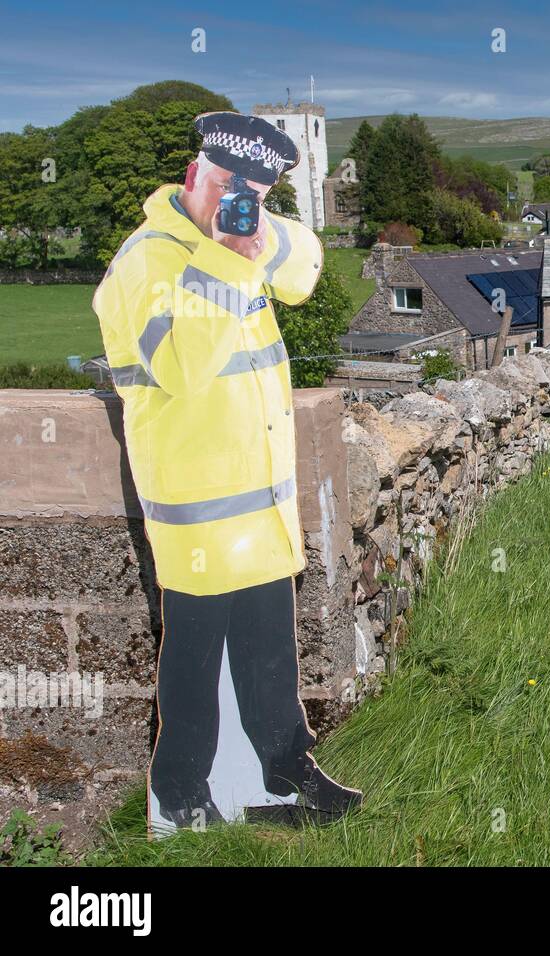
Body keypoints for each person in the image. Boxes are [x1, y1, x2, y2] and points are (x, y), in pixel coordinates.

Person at [93, 111, 362, 834]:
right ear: (191, 177)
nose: (235, 202)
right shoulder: (147, 261)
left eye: (255, 193)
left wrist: (256, 235)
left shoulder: (239, 237)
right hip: (197, 511)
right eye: (224, 186)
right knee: (193, 662)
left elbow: (304, 273)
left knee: (267, 645)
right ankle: (180, 795)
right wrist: (226, 258)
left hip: (259, 506)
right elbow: (183, 369)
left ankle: (285, 765)